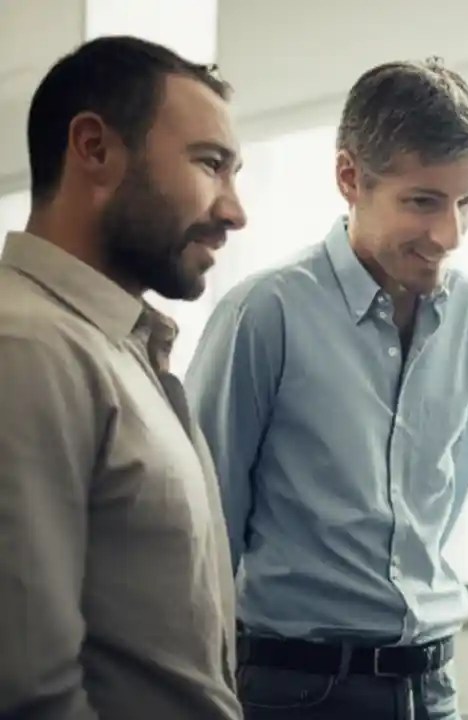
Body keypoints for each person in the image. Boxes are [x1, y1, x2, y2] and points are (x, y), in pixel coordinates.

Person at [185, 58, 468, 720]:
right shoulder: (263, 314)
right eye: (422, 201)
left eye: (464, 202)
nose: (449, 235)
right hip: (292, 691)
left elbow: (444, 505)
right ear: (349, 177)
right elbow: (204, 534)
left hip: (434, 686)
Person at [0, 36, 246, 719]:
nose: (234, 210)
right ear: (94, 148)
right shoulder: (25, 347)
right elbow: (28, 692)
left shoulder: (118, 344)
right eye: (210, 165)